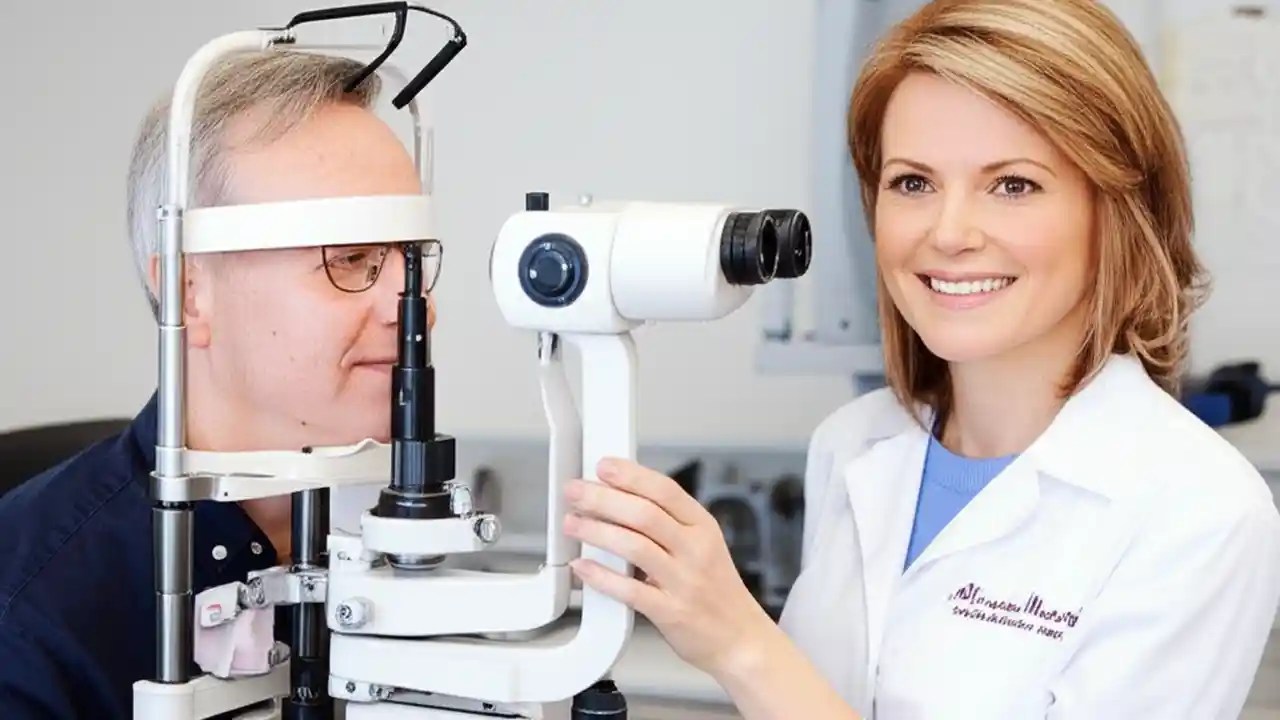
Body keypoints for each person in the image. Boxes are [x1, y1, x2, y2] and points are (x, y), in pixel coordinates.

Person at [562, 1, 1280, 717]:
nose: (949, 231)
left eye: (1013, 185)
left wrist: (739, 641)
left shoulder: (1200, 512)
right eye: (913, 182)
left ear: (1115, 211)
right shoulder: (854, 445)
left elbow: (772, 672)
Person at [0, 51, 436, 718]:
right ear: (189, 290)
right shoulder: (32, 622)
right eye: (352, 259)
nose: (411, 309)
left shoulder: (398, 563)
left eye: (413, 260)